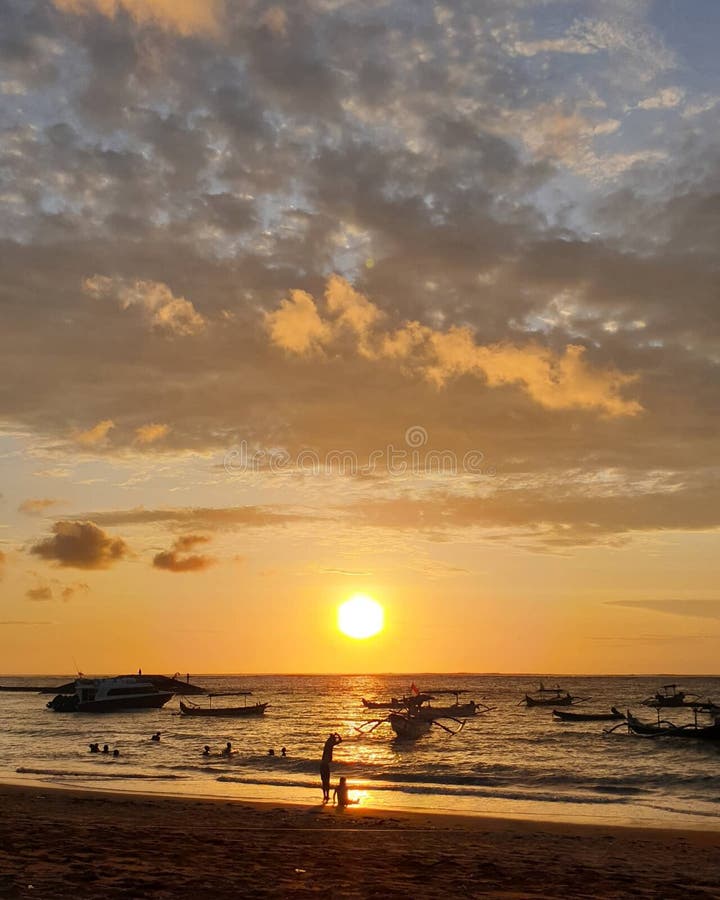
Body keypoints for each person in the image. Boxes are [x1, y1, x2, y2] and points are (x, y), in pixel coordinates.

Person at [320, 732, 342, 802]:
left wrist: (334, 736)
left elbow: (338, 741)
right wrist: (337, 735)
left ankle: (325, 796)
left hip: (323, 765)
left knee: (324, 782)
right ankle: (326, 796)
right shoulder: (329, 744)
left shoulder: (328, 743)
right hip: (325, 766)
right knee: (326, 781)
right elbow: (340, 740)